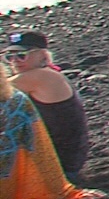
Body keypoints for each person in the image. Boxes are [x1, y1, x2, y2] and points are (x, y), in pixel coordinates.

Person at [1, 71, 104, 199]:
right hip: (10, 189)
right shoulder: (17, 100)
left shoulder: (18, 99)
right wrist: (61, 191)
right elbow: (40, 151)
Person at [5, 31, 90, 180]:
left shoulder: (43, 76)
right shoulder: (48, 74)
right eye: (9, 56)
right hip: (59, 161)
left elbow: (3, 88)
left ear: (42, 55)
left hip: (58, 167)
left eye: (21, 55)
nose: (15, 60)